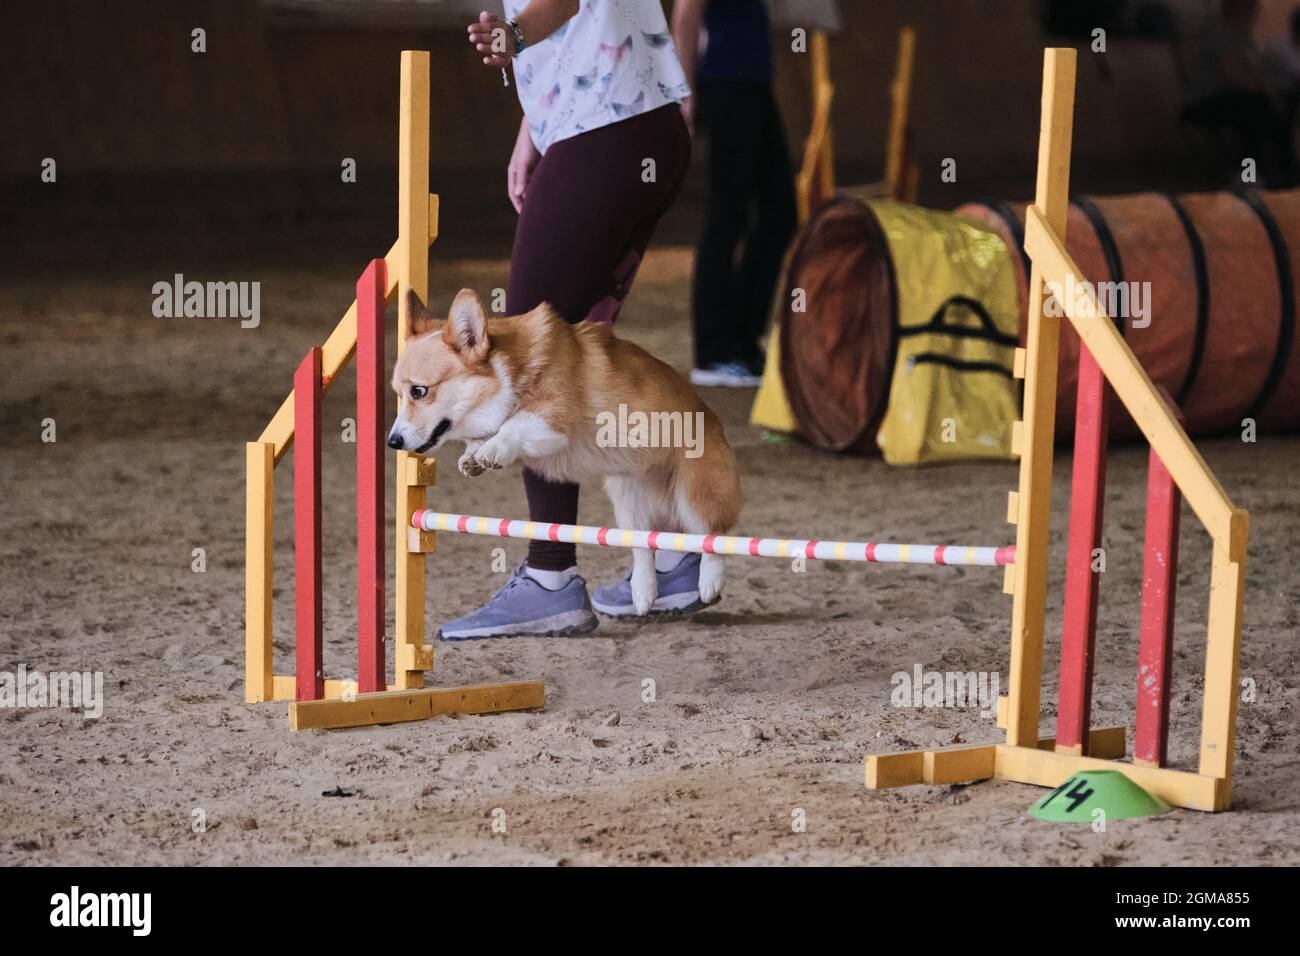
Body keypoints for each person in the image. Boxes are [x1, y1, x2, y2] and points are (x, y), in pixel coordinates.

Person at [441, 1, 695, 639]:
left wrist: (514, 34)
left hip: (604, 132)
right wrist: (533, 133)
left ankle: (549, 578)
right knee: (586, 355)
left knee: (528, 352)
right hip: (644, 126)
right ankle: (672, 558)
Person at [672, 0, 797, 387]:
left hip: (754, 84)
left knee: (780, 212)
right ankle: (713, 352)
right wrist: (685, 91)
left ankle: (743, 340)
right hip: (726, 85)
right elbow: (686, 12)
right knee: (728, 213)